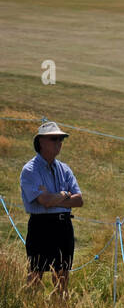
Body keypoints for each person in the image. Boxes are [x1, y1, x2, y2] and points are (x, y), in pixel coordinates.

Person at [19, 121, 83, 297]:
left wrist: (55, 198)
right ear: (41, 142)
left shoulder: (65, 169)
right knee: (35, 273)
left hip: (63, 226)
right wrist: (65, 195)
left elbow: (79, 200)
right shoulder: (30, 170)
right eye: (54, 139)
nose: (59, 143)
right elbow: (44, 201)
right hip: (41, 226)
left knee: (62, 274)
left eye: (61, 139)